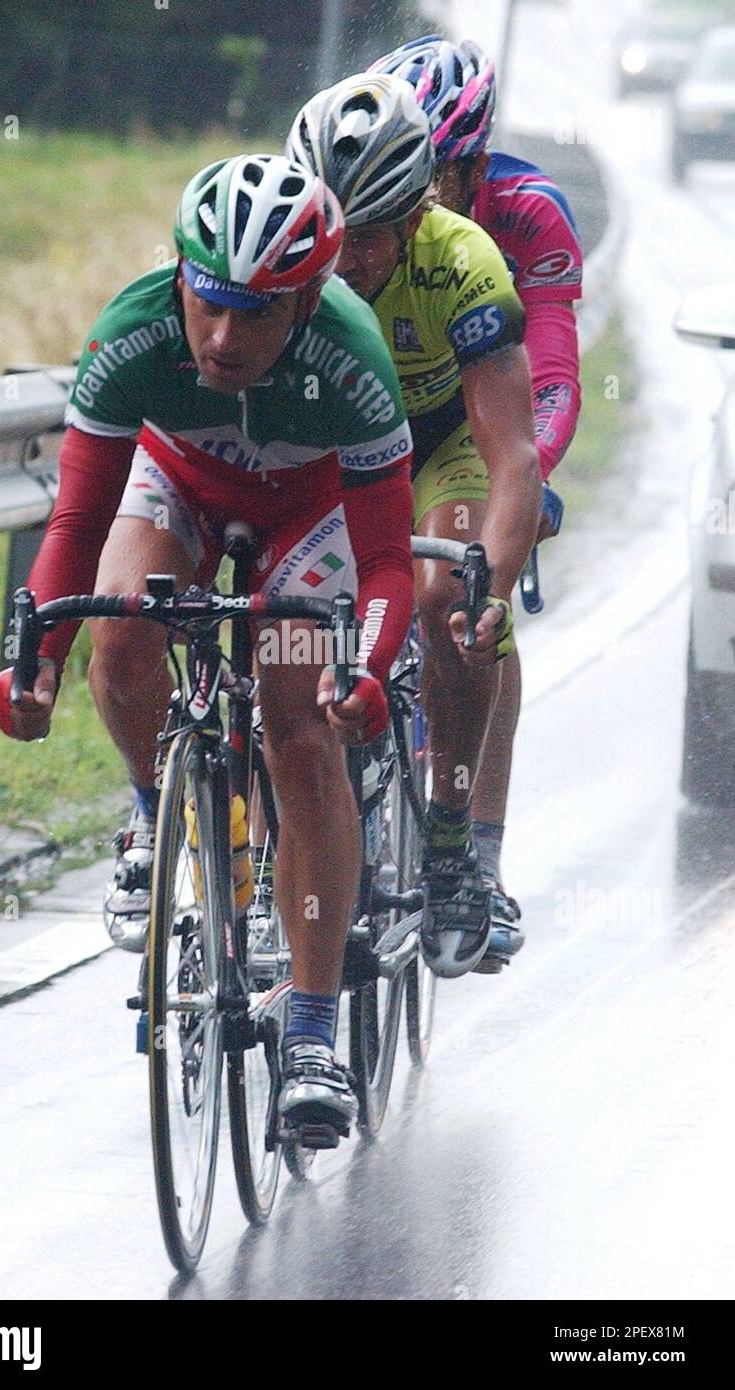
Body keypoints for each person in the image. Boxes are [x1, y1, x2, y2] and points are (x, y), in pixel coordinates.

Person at [0, 153, 418, 1140]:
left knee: (300, 728)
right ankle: (156, 815)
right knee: (121, 624)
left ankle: (310, 1032)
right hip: (179, 483)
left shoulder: (353, 358)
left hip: (308, 512)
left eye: (258, 314)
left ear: (308, 302)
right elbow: (76, 524)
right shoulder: (131, 331)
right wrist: (33, 662)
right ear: (181, 278)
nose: (224, 338)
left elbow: (389, 558)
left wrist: (367, 669)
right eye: (209, 302)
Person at [288, 75, 542, 979]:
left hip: (440, 447)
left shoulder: (464, 260)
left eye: (366, 239)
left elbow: (512, 455)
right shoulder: (288, 255)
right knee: (276, 623)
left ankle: (446, 834)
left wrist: (494, 592)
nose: (343, 260)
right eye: (331, 233)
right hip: (326, 448)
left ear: (415, 213)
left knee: (444, 596)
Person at [369, 35, 583, 956]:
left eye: (439, 173)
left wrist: (528, 477)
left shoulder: (529, 215)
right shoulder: (354, 206)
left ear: (470, 157)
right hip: (373, 426)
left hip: (473, 426)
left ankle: (475, 853)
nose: (419, 193)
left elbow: (554, 375)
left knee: (462, 599)